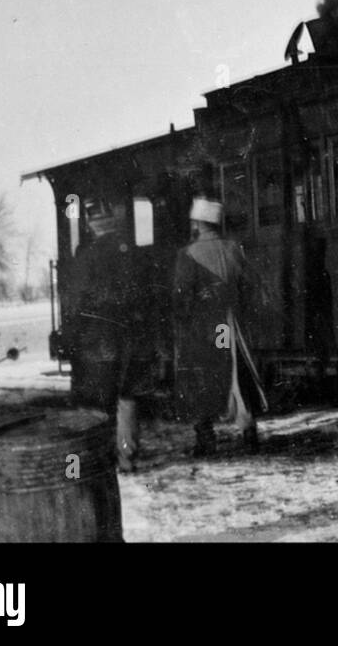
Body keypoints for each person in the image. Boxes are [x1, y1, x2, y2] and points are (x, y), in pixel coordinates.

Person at [65, 201, 158, 473]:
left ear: (92, 225)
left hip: (99, 342)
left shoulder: (86, 257)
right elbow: (150, 298)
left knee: (101, 401)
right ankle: (127, 458)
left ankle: (101, 459)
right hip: (133, 338)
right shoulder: (135, 255)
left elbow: (76, 303)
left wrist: (72, 339)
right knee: (128, 398)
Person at [172, 198, 265, 456]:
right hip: (231, 325)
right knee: (237, 376)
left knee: (203, 378)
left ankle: (206, 438)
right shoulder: (234, 248)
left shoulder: (187, 254)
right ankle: (249, 431)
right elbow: (250, 285)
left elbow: (181, 297)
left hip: (204, 328)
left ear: (197, 224)